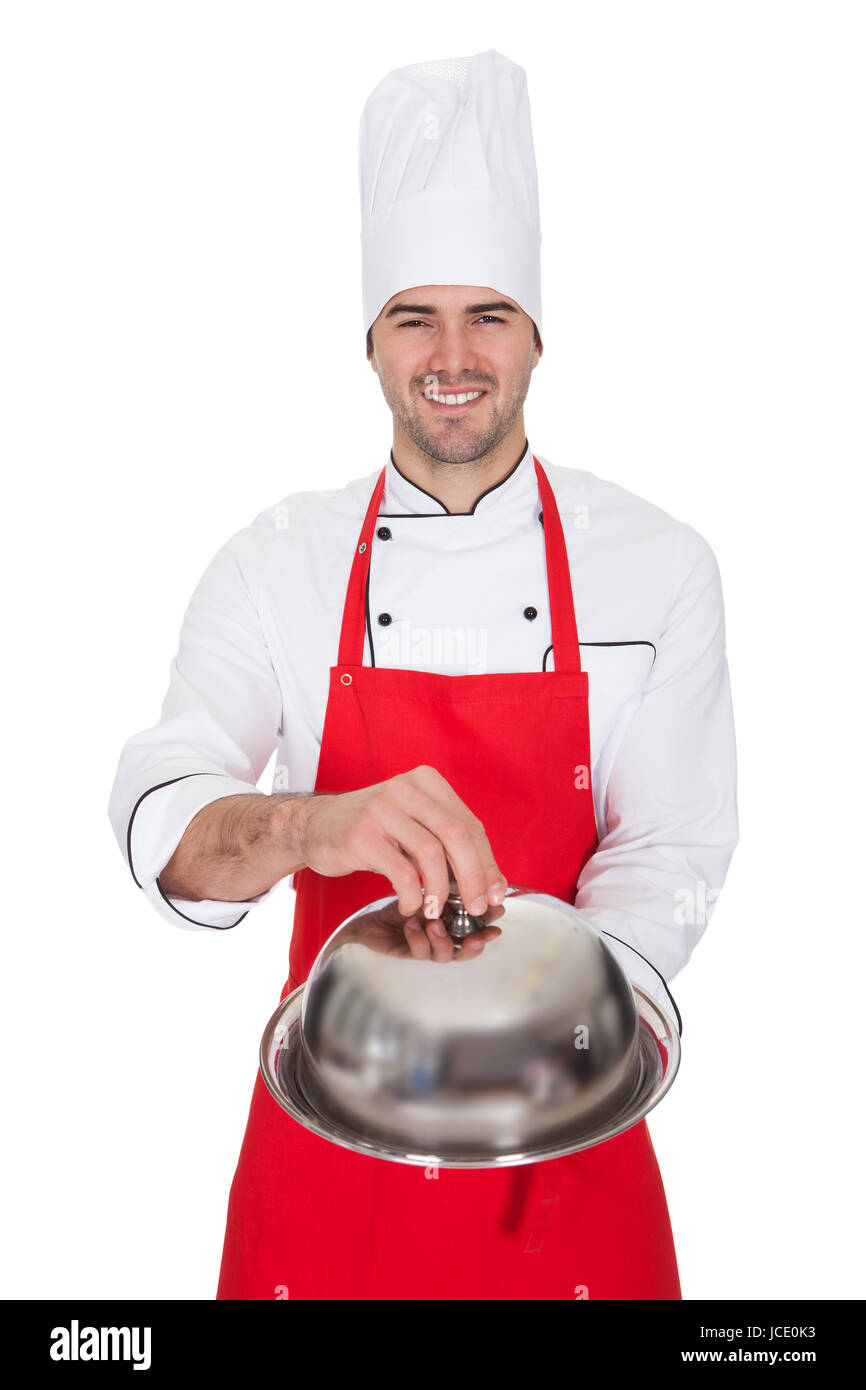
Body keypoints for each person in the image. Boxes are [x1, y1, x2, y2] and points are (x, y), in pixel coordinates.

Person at [109, 48, 738, 1300]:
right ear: (371, 340)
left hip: (561, 1147)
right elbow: (162, 817)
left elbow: (670, 849)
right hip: (325, 1159)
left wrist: (514, 1029)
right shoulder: (275, 562)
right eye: (414, 317)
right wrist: (315, 820)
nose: (451, 355)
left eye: (486, 314)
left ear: (537, 332)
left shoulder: (658, 565)